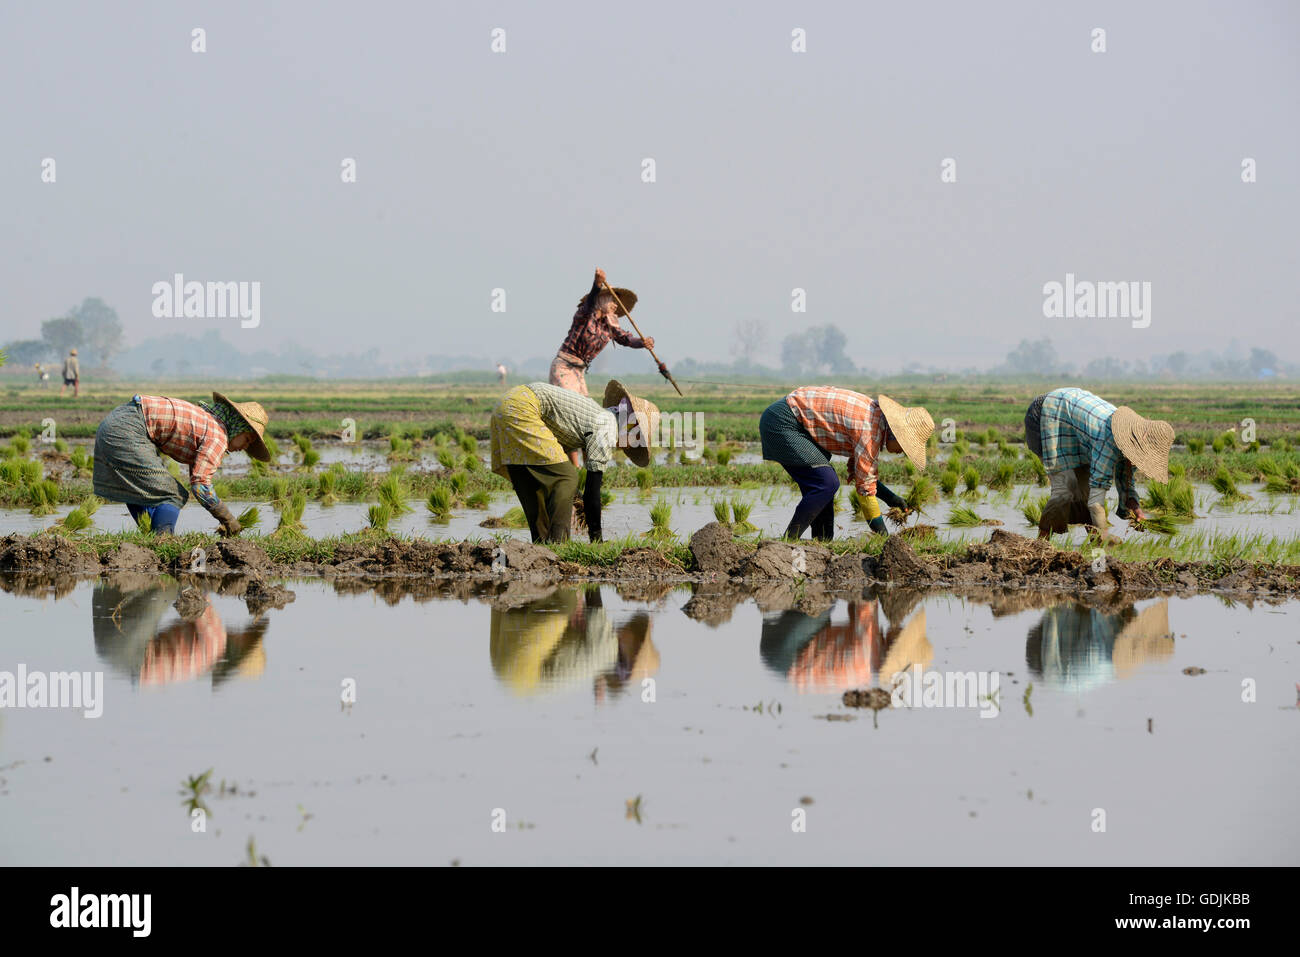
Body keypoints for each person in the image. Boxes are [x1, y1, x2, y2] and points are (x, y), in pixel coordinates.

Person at [490, 379, 658, 543]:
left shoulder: (596, 416)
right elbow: (593, 492)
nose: (626, 447)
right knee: (567, 478)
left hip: (507, 404)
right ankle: (559, 544)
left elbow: (551, 466)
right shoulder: (607, 427)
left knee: (535, 484)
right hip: (523, 407)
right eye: (636, 440)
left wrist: (576, 496)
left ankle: (541, 548)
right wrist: (597, 539)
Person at [760, 387, 934, 540]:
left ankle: (822, 543)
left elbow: (864, 476)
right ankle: (789, 540)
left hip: (794, 422)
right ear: (896, 434)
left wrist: (891, 499)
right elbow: (865, 492)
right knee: (826, 483)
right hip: (783, 422)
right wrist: (885, 539)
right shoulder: (869, 432)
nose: (902, 452)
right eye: (905, 446)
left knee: (823, 485)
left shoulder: (875, 419)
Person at [92, 391, 270, 535]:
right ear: (237, 427)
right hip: (129, 429)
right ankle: (163, 539)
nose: (245, 447)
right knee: (173, 495)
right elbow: (201, 485)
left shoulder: (208, 423)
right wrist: (228, 519)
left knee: (136, 491)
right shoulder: (218, 436)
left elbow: (197, 475)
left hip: (115, 421)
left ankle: (153, 535)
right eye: (247, 439)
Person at [1027, 388, 1173, 539]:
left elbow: (1126, 480)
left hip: (1071, 427)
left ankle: (1095, 540)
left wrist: (1135, 508)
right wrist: (1105, 536)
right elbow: (1096, 502)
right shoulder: (1109, 439)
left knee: (1084, 490)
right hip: (1045, 414)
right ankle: (1040, 544)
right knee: (1065, 488)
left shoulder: (1132, 445)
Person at [550, 268, 655, 466]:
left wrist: (643, 342)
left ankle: (589, 464)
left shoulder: (609, 325)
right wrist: (597, 285)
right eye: (613, 300)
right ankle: (575, 467)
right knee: (571, 415)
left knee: (586, 417)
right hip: (564, 367)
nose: (616, 305)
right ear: (602, 299)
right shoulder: (585, 314)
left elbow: (626, 339)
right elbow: (590, 302)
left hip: (579, 372)